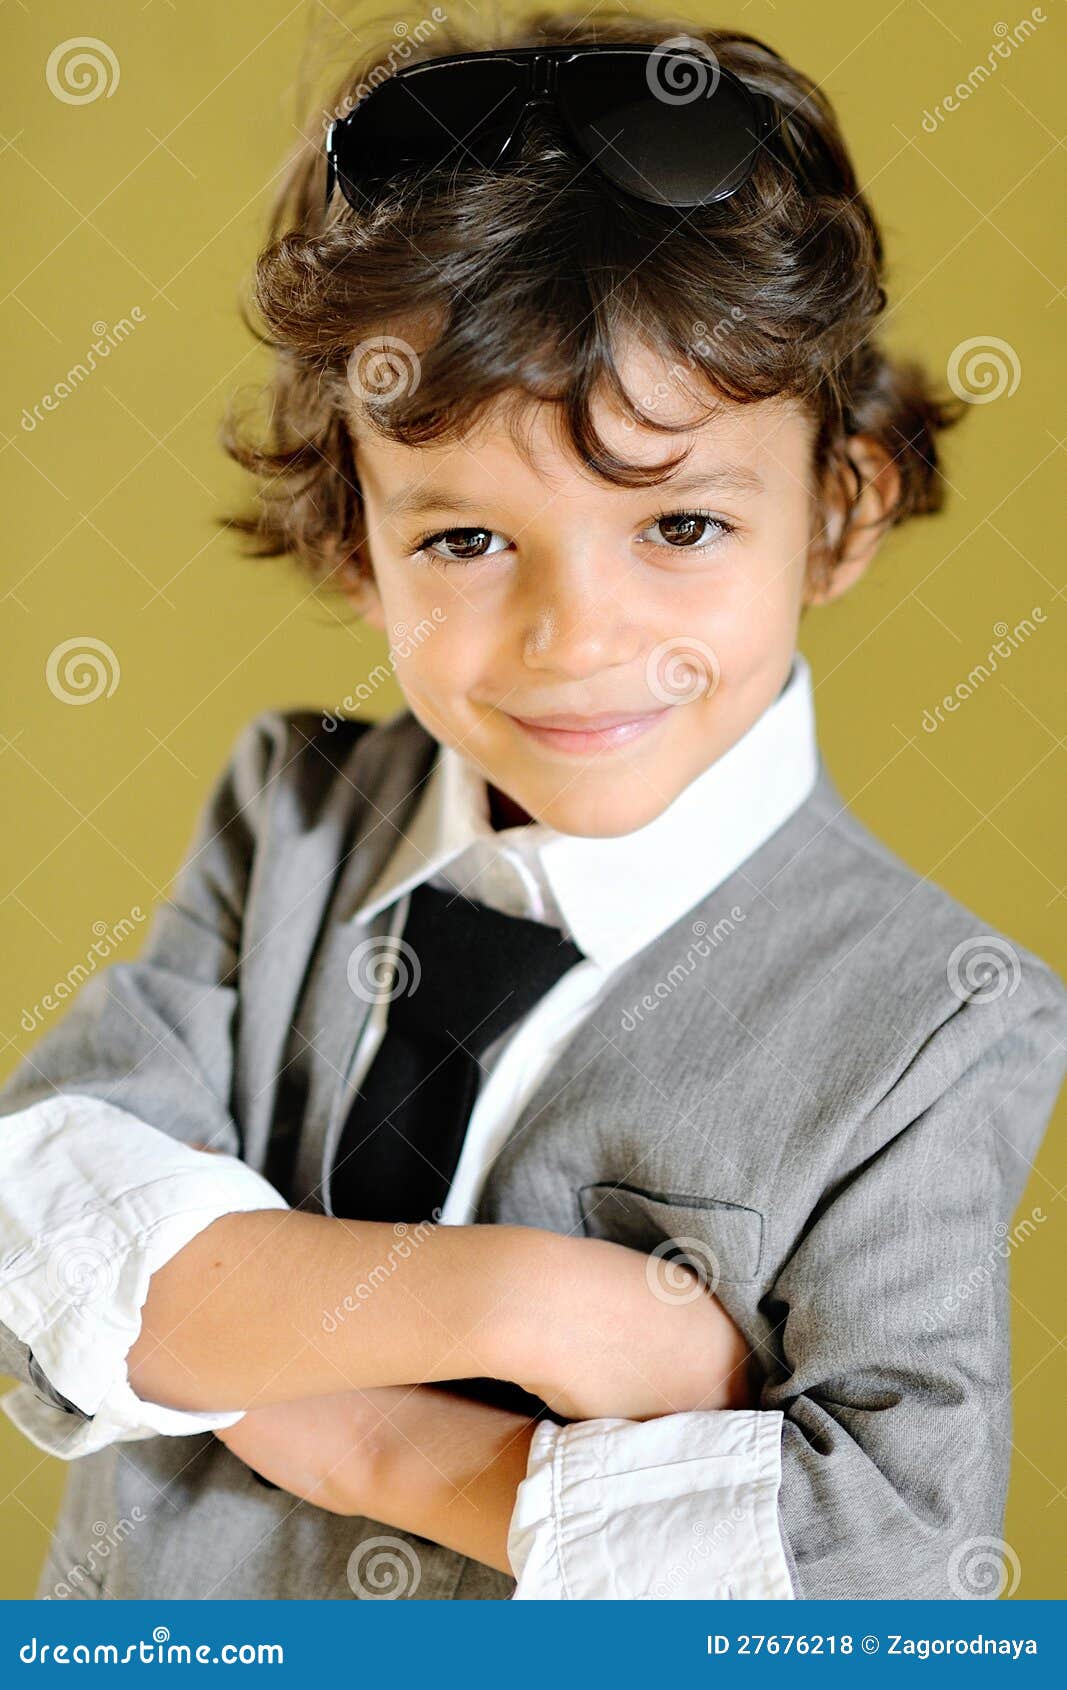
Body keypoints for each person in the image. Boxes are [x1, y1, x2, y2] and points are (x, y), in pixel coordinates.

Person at [2, 8, 1065, 1602]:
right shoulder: (288, 814)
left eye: (683, 524)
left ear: (838, 505)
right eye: (466, 542)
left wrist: (368, 1438)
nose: (577, 636)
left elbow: (887, 1558)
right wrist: (548, 1306)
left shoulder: (936, 1019)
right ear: (357, 543)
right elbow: (55, 1218)